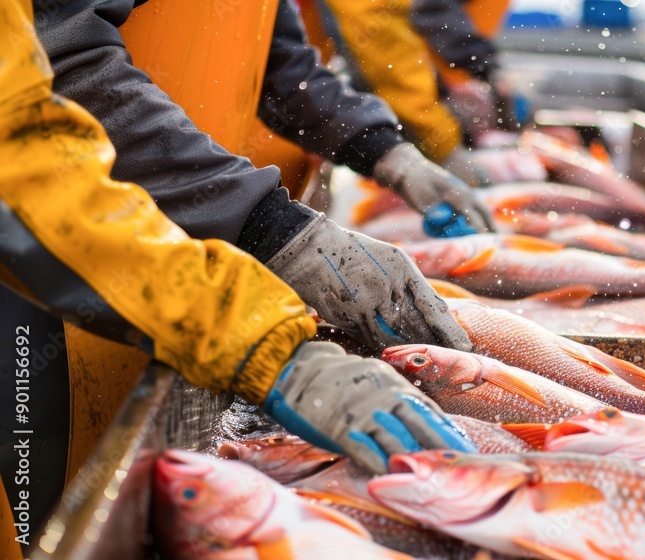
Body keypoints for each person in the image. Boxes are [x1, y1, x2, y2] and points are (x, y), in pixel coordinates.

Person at [0, 1, 474, 555]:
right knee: (44, 511)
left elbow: (279, 61)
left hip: (211, 274)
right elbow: (60, 76)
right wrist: (267, 229)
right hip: (54, 274)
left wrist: (384, 150)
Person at [322, 0, 546, 186]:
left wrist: (486, 70)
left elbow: (434, 10)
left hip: (409, 95)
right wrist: (443, 144)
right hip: (307, 112)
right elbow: (382, 42)